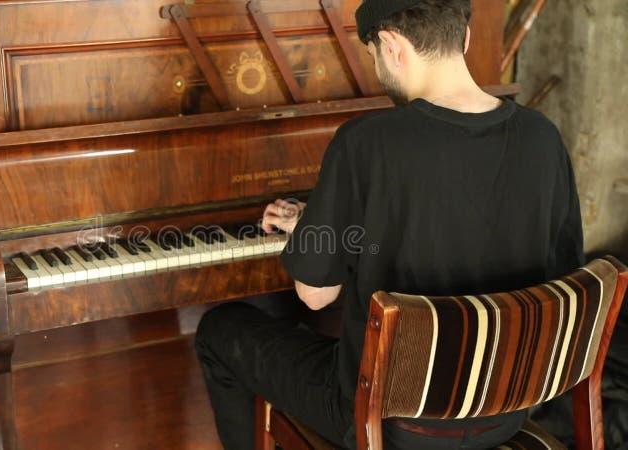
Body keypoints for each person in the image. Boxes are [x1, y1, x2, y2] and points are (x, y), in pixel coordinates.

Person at [194, 0, 584, 448]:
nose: (378, 68)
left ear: (391, 45)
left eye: (372, 55)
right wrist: (328, 216)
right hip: (505, 415)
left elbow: (316, 296)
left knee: (220, 329)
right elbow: (564, 277)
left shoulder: (366, 143)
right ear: (466, 38)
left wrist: (317, 229)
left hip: (389, 423)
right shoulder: (543, 138)